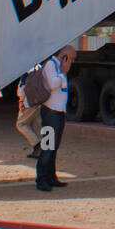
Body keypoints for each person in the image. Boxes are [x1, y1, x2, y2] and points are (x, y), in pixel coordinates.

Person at [36, 45, 77, 192]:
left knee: (54, 146)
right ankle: (41, 179)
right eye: (71, 58)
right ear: (64, 56)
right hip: (50, 112)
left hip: (59, 112)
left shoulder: (58, 67)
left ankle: (51, 176)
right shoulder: (51, 65)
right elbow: (53, 84)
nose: (72, 62)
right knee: (47, 146)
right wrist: (63, 73)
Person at [15, 64, 43, 159]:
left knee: (21, 124)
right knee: (37, 125)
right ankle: (40, 151)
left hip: (29, 102)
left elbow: (23, 87)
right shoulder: (40, 67)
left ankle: (37, 144)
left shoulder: (27, 68)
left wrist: (21, 101)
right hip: (39, 101)